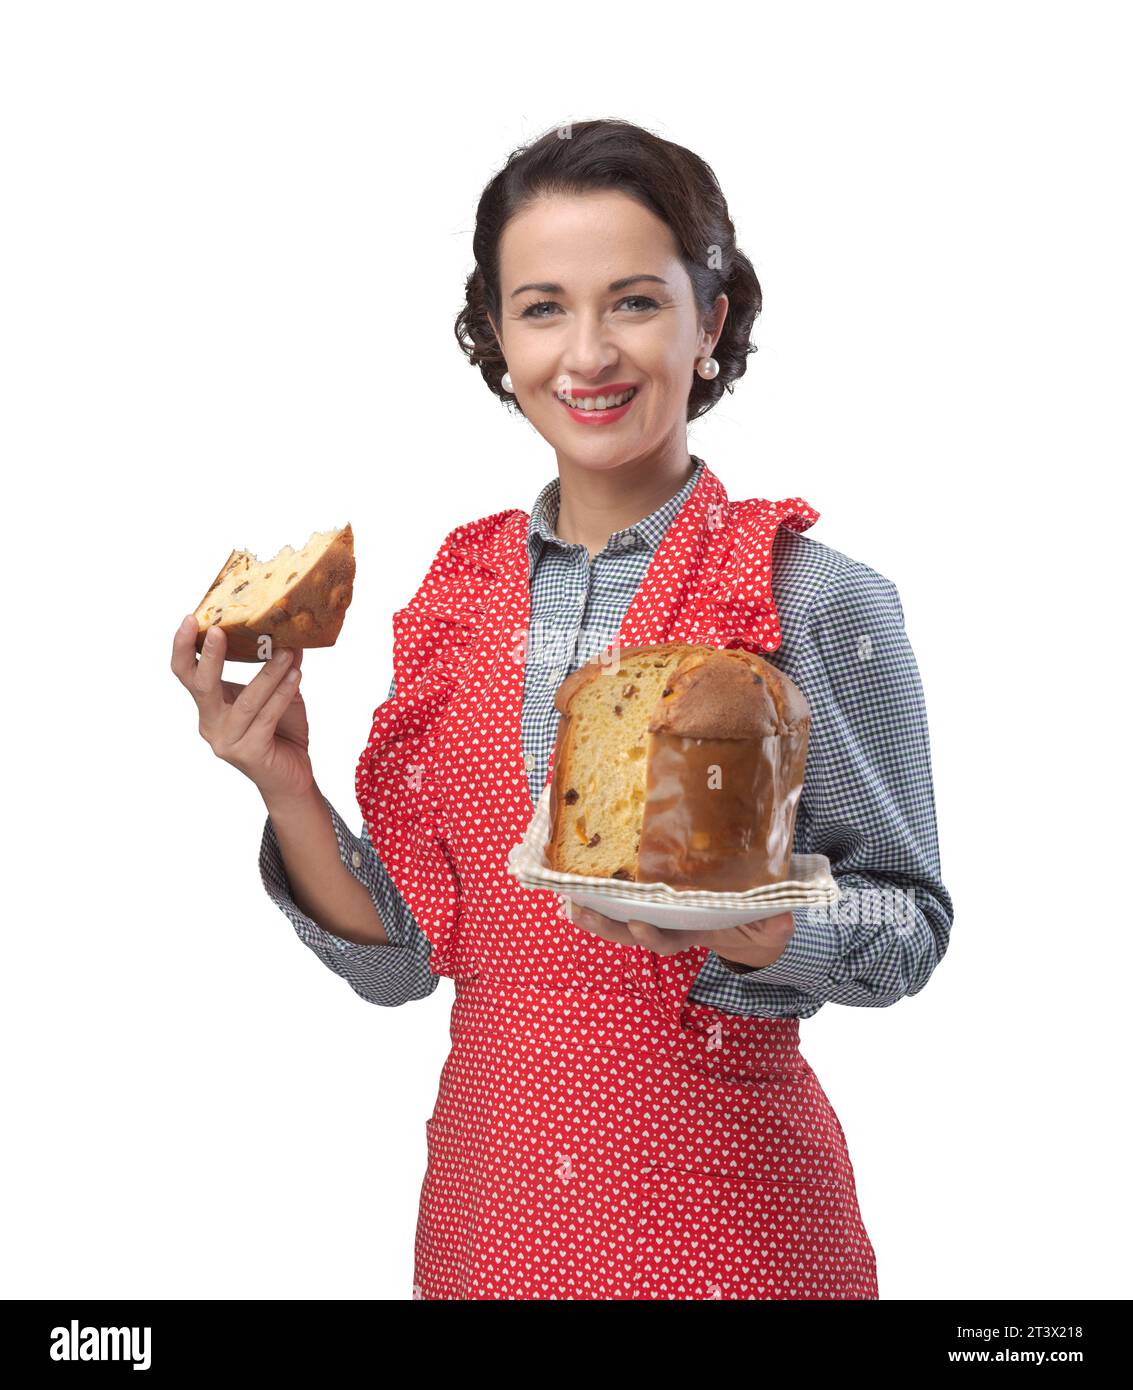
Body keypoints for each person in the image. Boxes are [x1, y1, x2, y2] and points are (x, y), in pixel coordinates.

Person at [171, 118, 953, 1300]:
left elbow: (909, 932)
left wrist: (754, 926)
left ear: (711, 323)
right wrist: (285, 781)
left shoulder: (808, 594)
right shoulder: (459, 594)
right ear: (494, 336)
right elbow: (404, 962)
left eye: (634, 301)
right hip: (491, 1223)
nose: (586, 353)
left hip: (729, 1229)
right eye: (541, 308)